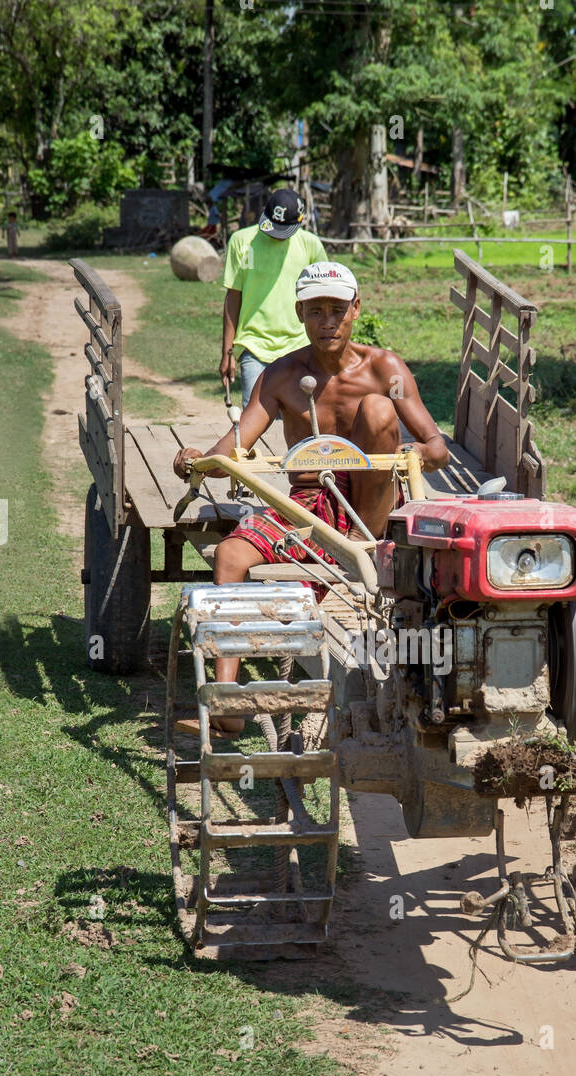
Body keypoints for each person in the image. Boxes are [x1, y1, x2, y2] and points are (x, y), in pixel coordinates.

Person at [172, 259, 448, 733]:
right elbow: (236, 446)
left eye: (337, 309)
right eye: (316, 310)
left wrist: (405, 452)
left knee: (379, 408)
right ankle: (228, 709)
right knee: (231, 555)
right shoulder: (282, 375)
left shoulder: (386, 369)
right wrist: (196, 459)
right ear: (300, 313)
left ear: (356, 309)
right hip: (311, 506)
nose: (328, 322)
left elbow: (437, 449)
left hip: (370, 510)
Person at [221, 187, 326, 407]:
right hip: (254, 345)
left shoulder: (310, 245)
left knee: (301, 417)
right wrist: (227, 352)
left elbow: (323, 296)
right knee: (253, 417)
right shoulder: (241, 241)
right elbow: (233, 297)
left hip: (299, 345)